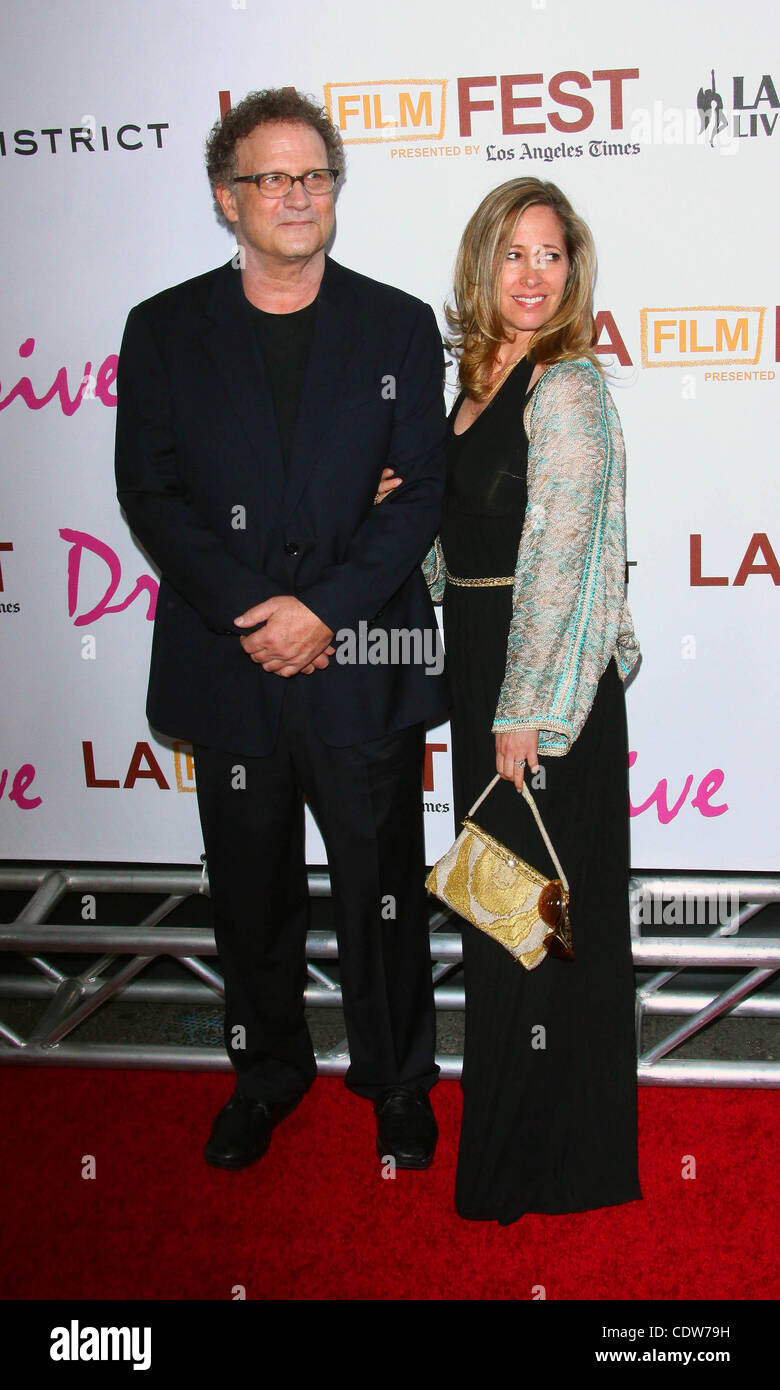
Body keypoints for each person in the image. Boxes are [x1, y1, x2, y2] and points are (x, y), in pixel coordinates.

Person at [115, 88, 448, 1173]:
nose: (299, 194)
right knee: (250, 895)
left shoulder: (398, 323)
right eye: (273, 177)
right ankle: (266, 1074)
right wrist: (256, 613)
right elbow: (150, 492)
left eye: (317, 175)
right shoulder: (164, 329)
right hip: (232, 664)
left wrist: (325, 613)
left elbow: (417, 497)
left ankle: (397, 1078)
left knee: (382, 892)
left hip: (361, 669)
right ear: (228, 198)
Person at [377, 177, 642, 1223]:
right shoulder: (479, 381)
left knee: (544, 923)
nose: (534, 275)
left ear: (573, 271)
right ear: (482, 266)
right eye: (514, 254)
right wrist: (409, 504)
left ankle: (553, 1164)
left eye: (553, 254)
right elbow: (467, 553)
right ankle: (523, 1154)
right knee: (509, 915)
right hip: (483, 658)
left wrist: (525, 705)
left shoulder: (567, 385)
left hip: (546, 683)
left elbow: (566, 555)